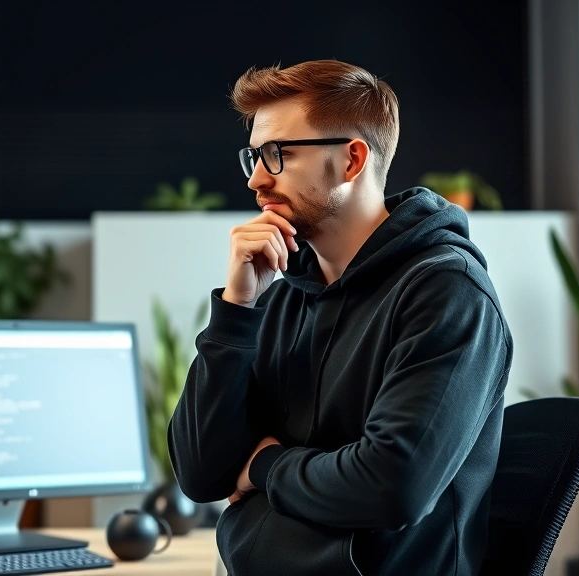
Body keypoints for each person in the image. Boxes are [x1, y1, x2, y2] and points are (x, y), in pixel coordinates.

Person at [167, 59, 513, 575]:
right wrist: (236, 312)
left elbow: (391, 487)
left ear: (351, 160)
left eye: (278, 154)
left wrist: (264, 465)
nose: (257, 179)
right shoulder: (281, 296)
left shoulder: (446, 293)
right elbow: (200, 475)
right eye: (254, 156)